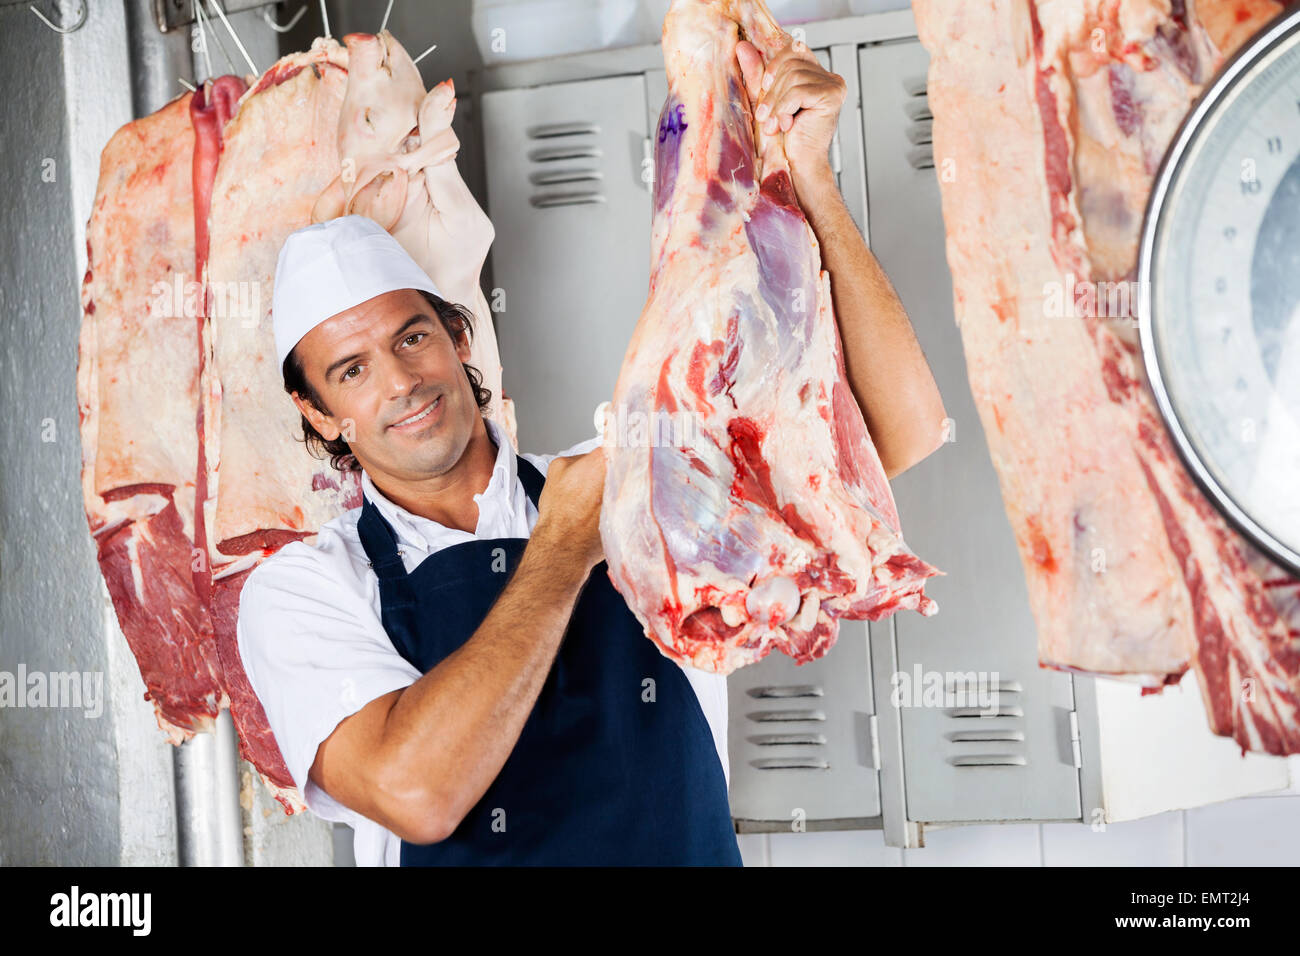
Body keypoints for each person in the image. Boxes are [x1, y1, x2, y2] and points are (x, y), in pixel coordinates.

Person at [236, 39, 945, 867]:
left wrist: (813, 182)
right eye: (352, 371)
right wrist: (563, 544)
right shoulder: (306, 590)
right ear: (319, 414)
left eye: (413, 336)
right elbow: (415, 793)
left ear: (457, 336)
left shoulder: (637, 475)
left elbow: (903, 429)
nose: (401, 382)